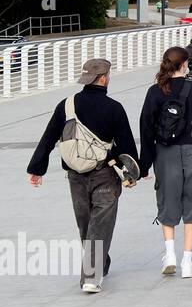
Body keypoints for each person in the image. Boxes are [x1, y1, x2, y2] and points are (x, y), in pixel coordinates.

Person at [26, 59, 139, 293]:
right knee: (99, 225)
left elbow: (49, 136)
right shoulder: (114, 108)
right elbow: (126, 143)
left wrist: (37, 168)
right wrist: (133, 172)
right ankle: (94, 272)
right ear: (104, 78)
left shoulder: (66, 105)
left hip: (75, 176)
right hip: (105, 173)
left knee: (86, 225)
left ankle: (93, 271)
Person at [139, 45, 192, 278]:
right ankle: (187, 261)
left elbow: (146, 128)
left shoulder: (155, 91)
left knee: (167, 199)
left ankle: (170, 255)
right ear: (185, 64)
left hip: (165, 153)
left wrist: (144, 164)